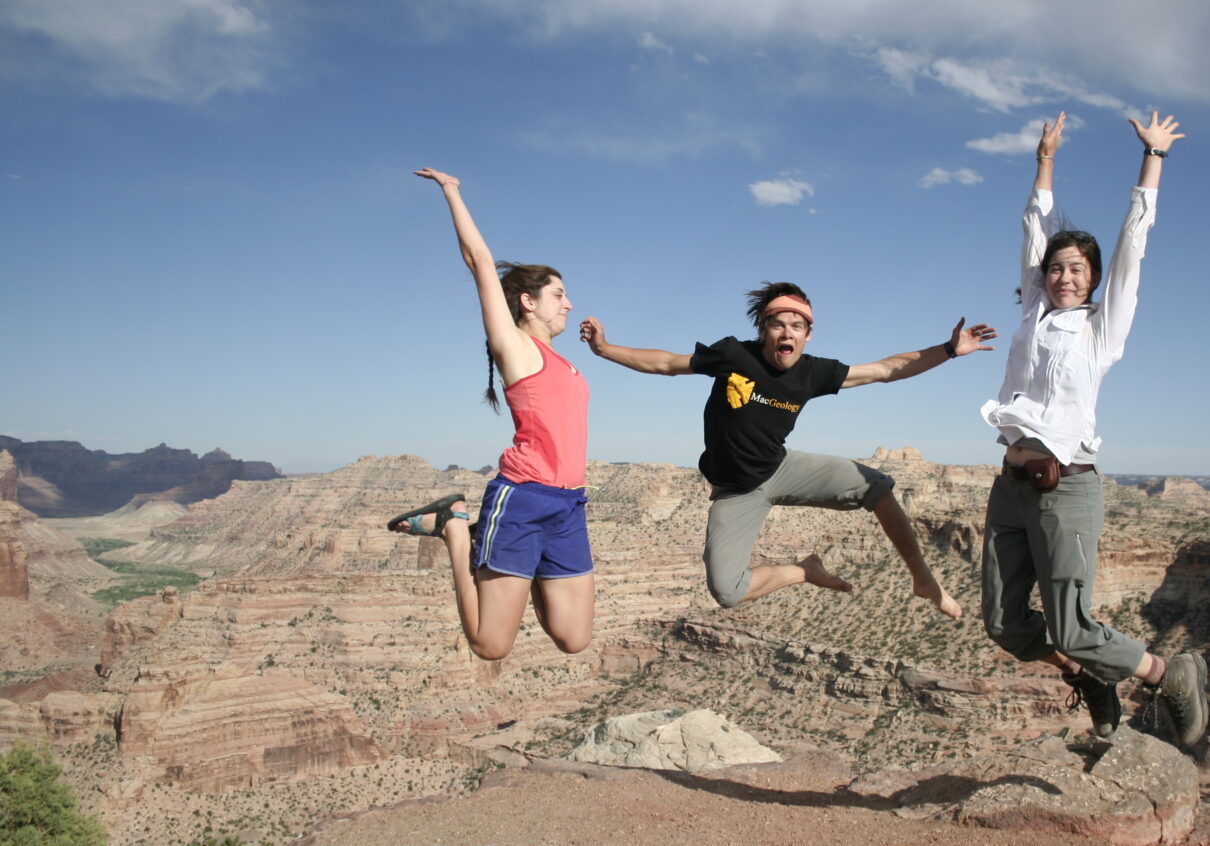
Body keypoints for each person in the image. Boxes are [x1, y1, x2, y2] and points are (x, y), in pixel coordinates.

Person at [979, 111, 1209, 748]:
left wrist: (1152, 162)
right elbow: (1034, 228)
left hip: (1066, 489)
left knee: (1071, 623)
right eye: (1057, 268)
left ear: (1094, 280)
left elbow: (1134, 245)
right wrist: (1044, 161)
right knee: (1001, 622)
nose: (1064, 276)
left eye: (1078, 269)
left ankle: (1170, 675)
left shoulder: (1102, 329)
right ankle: (1088, 674)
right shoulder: (1031, 308)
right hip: (1011, 485)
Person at [580, 288, 996, 617]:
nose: (787, 333)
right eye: (778, 325)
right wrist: (606, 349)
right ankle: (804, 571)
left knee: (879, 487)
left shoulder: (813, 371)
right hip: (737, 490)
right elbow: (667, 363)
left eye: (796, 326)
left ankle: (923, 580)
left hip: (782, 468)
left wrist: (948, 350)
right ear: (764, 329)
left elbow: (886, 370)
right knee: (727, 591)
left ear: (808, 334)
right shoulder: (733, 355)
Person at [387, 168, 595, 661]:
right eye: (559, 295)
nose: (569, 303)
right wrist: (452, 192)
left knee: (574, 638)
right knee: (490, 644)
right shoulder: (517, 348)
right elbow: (480, 261)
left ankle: (517, 565)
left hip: (569, 507)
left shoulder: (564, 361)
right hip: (522, 500)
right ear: (528, 302)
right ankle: (456, 529)